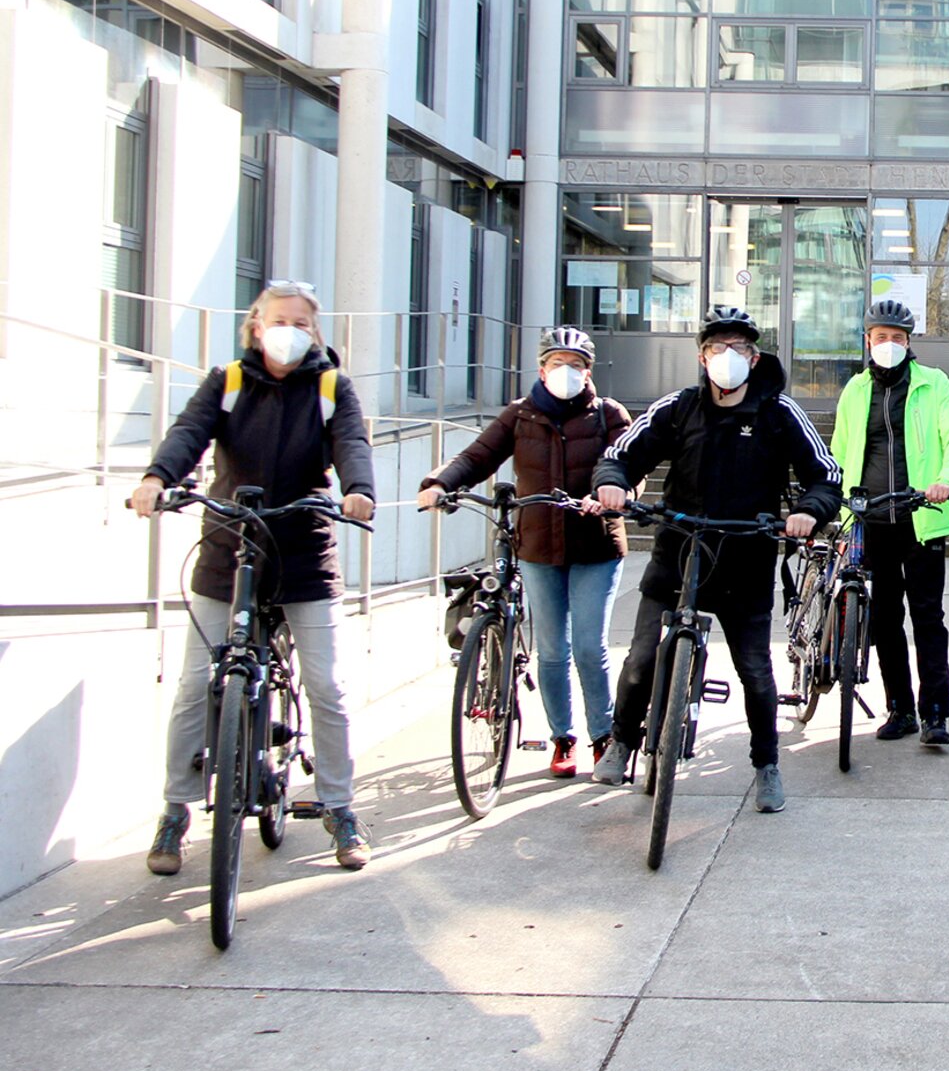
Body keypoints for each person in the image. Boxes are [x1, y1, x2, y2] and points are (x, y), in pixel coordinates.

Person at [129, 282, 378, 872]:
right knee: (194, 684)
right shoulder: (228, 382)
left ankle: (339, 807)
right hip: (228, 545)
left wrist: (359, 491)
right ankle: (176, 811)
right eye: (278, 319)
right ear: (255, 326)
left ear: (314, 332)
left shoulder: (330, 387)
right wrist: (156, 478)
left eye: (301, 322)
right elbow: (187, 434)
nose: (289, 329)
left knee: (327, 686)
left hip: (302, 547)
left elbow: (352, 442)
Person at [590, 306, 840, 813]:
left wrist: (808, 513)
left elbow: (826, 476)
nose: (727, 357)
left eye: (739, 348)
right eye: (716, 348)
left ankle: (766, 765)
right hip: (677, 554)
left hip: (745, 561)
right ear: (702, 358)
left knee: (755, 671)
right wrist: (612, 484)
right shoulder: (678, 408)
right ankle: (621, 740)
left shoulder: (779, 413)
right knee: (640, 659)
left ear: (754, 356)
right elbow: (620, 454)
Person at [417, 326, 630, 779]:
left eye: (576, 364)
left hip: (596, 545)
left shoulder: (607, 415)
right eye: (558, 363)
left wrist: (614, 491)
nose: (566, 372)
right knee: (552, 650)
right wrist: (440, 484)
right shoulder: (520, 415)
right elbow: (476, 457)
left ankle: (605, 736)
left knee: (589, 647)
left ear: (589, 371)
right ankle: (562, 738)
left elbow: (629, 462)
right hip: (537, 545)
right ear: (542, 368)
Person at [829, 297, 949, 745]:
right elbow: (838, 452)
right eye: (881, 337)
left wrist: (946, 481)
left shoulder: (934, 384)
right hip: (870, 519)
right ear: (867, 340)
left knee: (928, 616)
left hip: (922, 516)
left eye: (897, 338)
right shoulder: (855, 390)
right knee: (886, 618)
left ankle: (935, 715)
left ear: (909, 342)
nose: (888, 344)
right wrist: (840, 515)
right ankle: (900, 709)